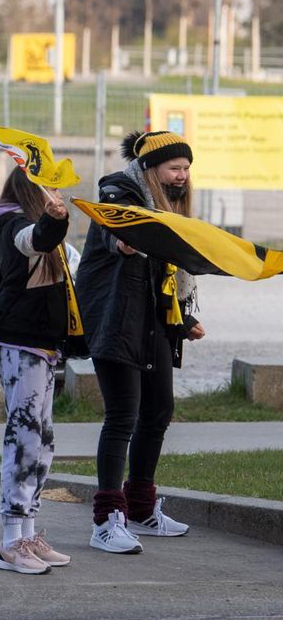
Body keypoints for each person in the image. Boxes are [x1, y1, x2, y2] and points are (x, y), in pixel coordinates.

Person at [75, 131, 203, 554]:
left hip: (152, 324)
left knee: (159, 410)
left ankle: (141, 509)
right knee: (122, 416)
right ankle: (106, 521)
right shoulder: (119, 191)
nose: (182, 176)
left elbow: (166, 272)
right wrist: (124, 243)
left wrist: (184, 318)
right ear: (151, 167)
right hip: (115, 320)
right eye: (174, 168)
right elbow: (119, 227)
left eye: (186, 169)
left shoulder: (167, 201)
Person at [0, 168, 75, 575]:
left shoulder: (31, 226)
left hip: (43, 345)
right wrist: (54, 221)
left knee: (43, 439)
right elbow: (36, 241)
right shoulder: (11, 225)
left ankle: (29, 531)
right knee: (23, 438)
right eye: (49, 186)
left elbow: (69, 261)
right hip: (20, 343)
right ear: (30, 189)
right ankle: (10, 541)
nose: (55, 193)